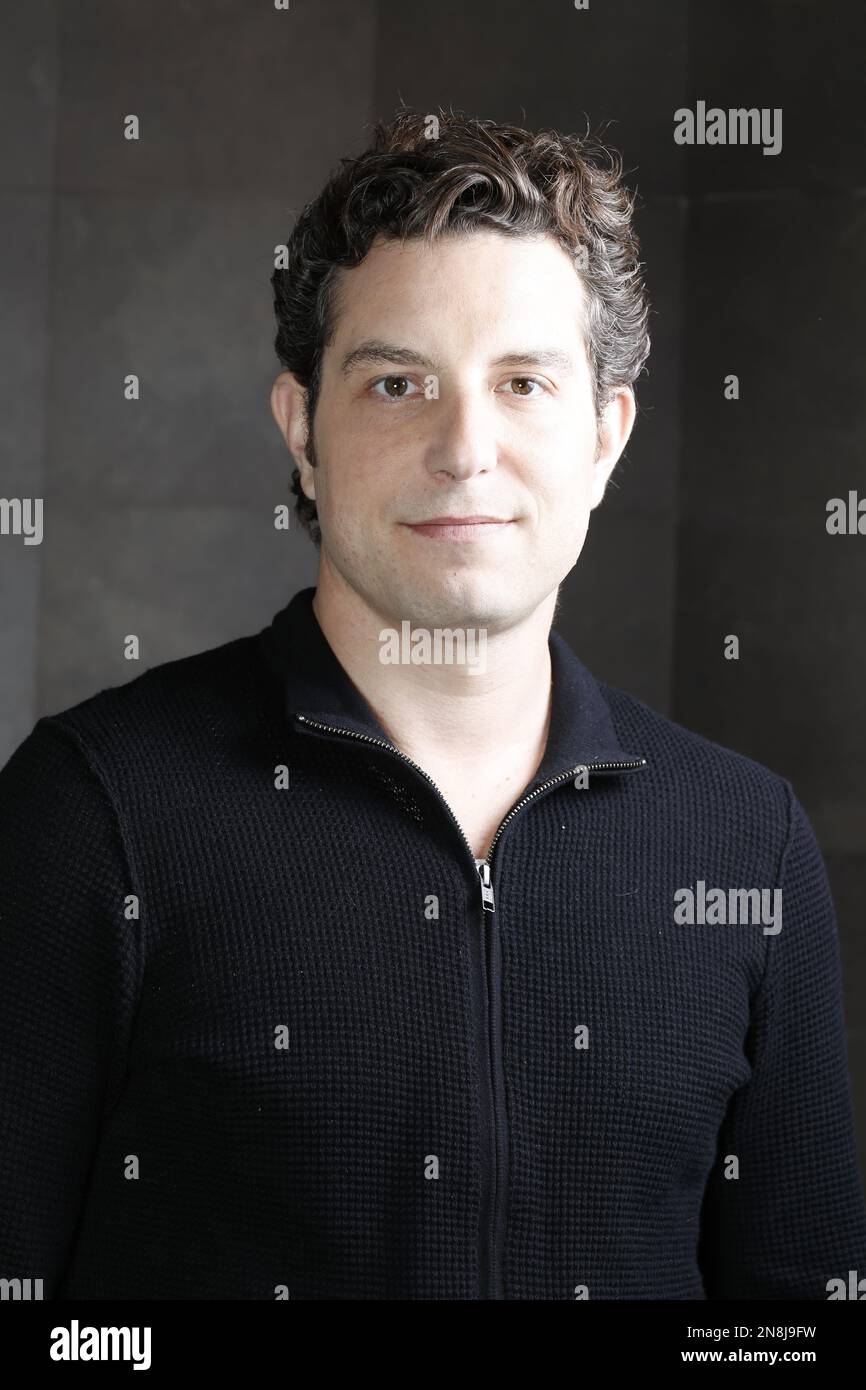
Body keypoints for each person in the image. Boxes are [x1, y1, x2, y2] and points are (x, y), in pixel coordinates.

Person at [1, 108, 864, 1301]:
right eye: (397, 382)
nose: (465, 448)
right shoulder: (91, 814)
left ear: (604, 438)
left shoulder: (745, 842)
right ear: (303, 430)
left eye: (521, 383)